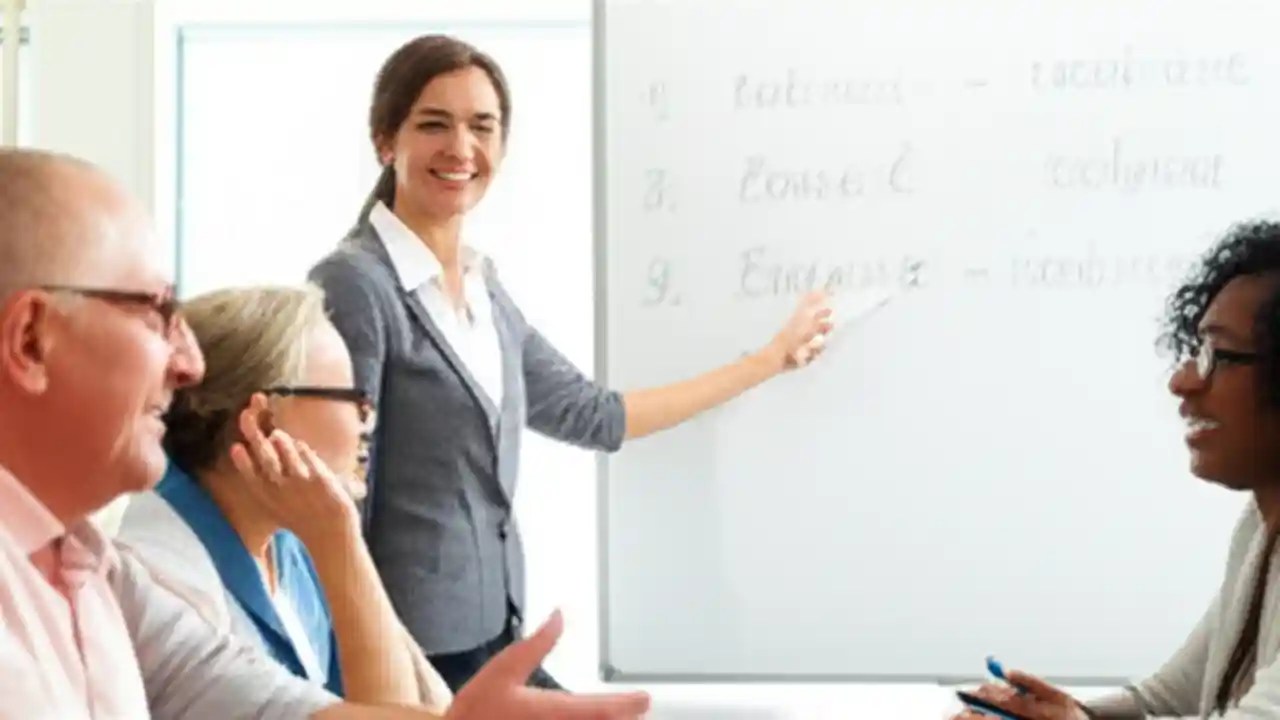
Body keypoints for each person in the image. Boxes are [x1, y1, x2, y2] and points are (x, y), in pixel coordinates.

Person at [0, 146, 651, 719]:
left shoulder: (99, 570)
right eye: (156, 314)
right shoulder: (158, 568)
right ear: (30, 340)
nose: (187, 363)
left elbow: (275, 709)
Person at [308, 32, 834, 693]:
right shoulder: (356, 285)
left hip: (491, 631)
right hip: (405, 651)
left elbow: (597, 416)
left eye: (483, 126)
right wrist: (362, 668)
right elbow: (333, 496)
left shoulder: (483, 291)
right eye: (433, 124)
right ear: (386, 140)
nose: (461, 148)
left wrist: (769, 360)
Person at [951, 220, 1280, 720]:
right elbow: (1162, 701)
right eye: (1196, 351)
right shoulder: (1259, 526)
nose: (1182, 380)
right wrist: (1050, 714)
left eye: (1218, 355)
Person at [115, 285, 451, 711]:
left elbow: (432, 701)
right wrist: (340, 541)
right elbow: (394, 713)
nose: (367, 418)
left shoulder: (288, 536)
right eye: (352, 396)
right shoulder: (163, 575)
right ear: (262, 421)